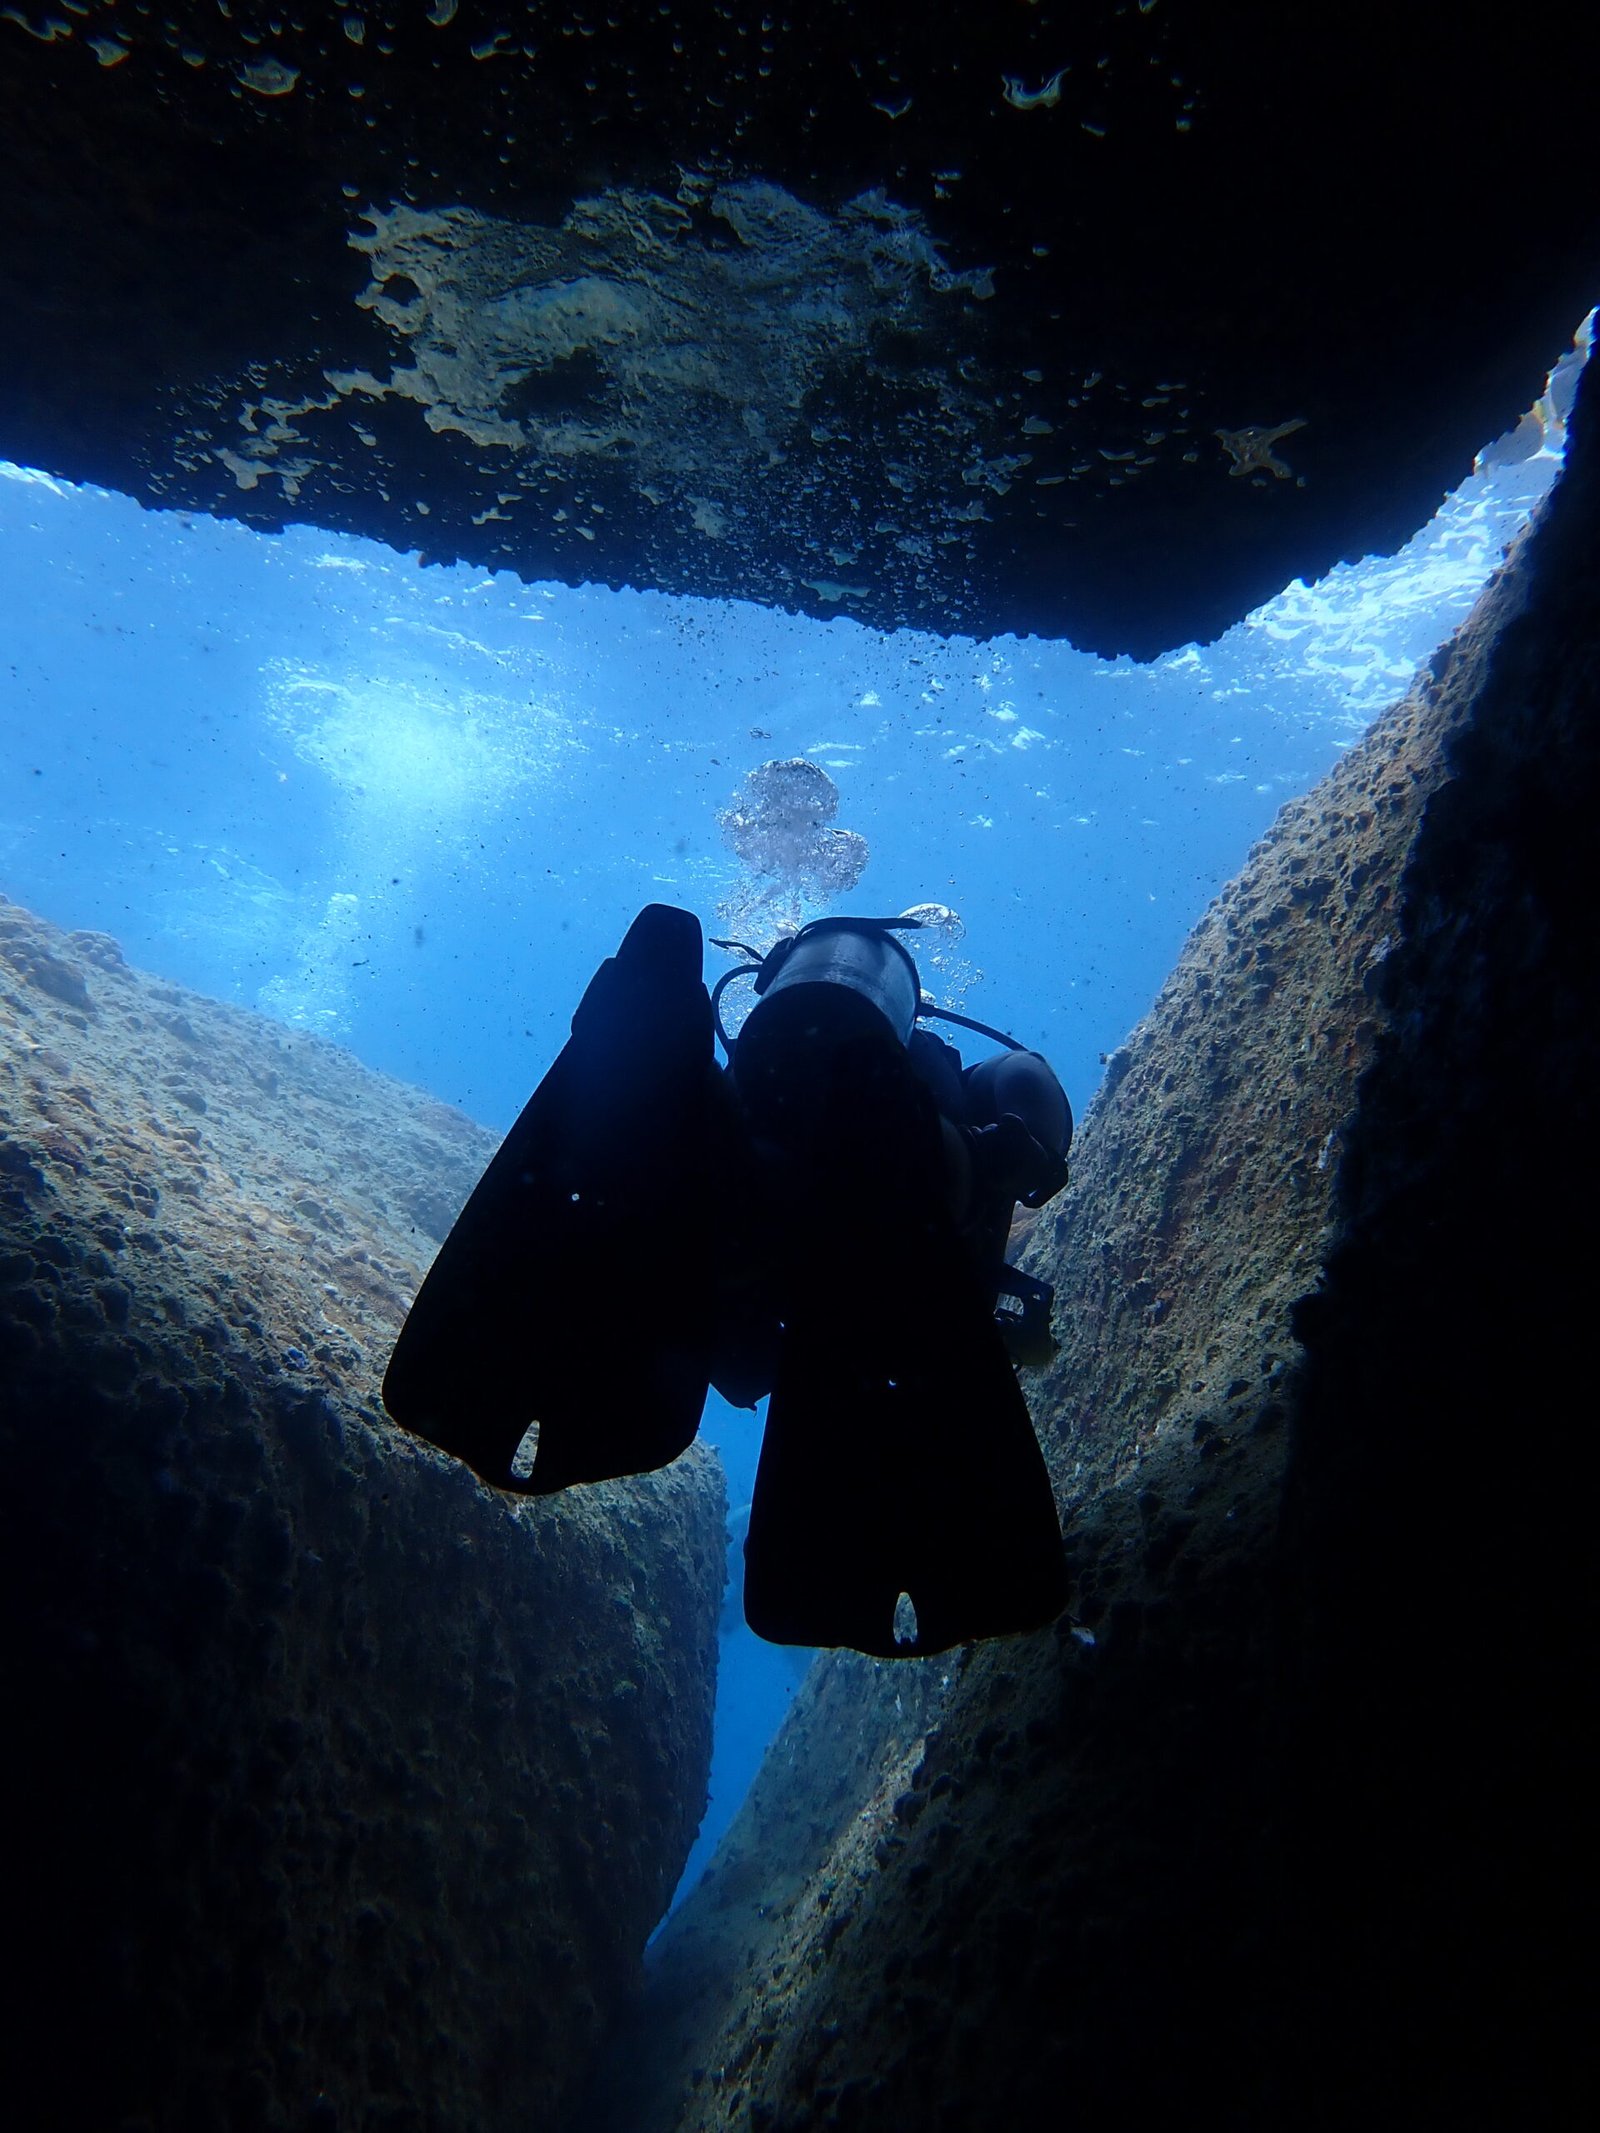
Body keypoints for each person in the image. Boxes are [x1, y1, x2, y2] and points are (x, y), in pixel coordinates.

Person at [383, 904, 1072, 1657]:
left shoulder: (741, 1087)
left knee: (659, 1101)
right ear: (912, 1014)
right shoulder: (942, 1080)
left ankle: (650, 1022)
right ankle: (877, 1143)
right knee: (880, 1135)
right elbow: (1028, 1084)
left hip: (728, 1266)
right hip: (858, 1253)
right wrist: (995, 1150)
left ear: (764, 984)